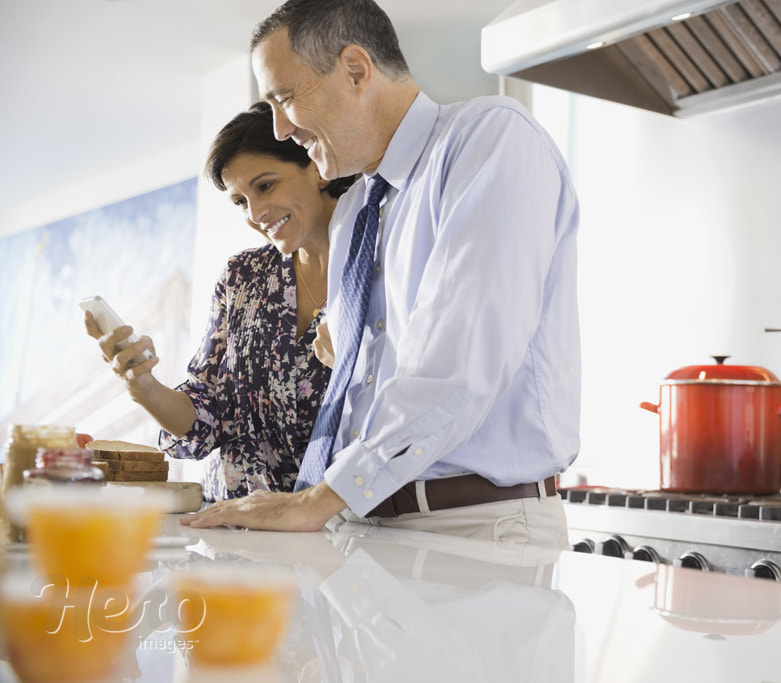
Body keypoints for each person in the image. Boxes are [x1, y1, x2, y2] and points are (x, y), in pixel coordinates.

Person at [182, 0, 581, 547]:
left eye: (284, 98)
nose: (280, 127)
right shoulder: (355, 213)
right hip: (365, 523)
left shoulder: (488, 140)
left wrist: (316, 501)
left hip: (473, 527)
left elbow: (457, 364)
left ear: (354, 69)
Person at [86, 101, 353, 500]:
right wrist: (143, 386)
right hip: (231, 526)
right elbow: (208, 413)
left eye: (265, 185)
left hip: (340, 524)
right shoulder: (242, 277)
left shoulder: (380, 261)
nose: (256, 213)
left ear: (316, 166)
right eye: (241, 201)